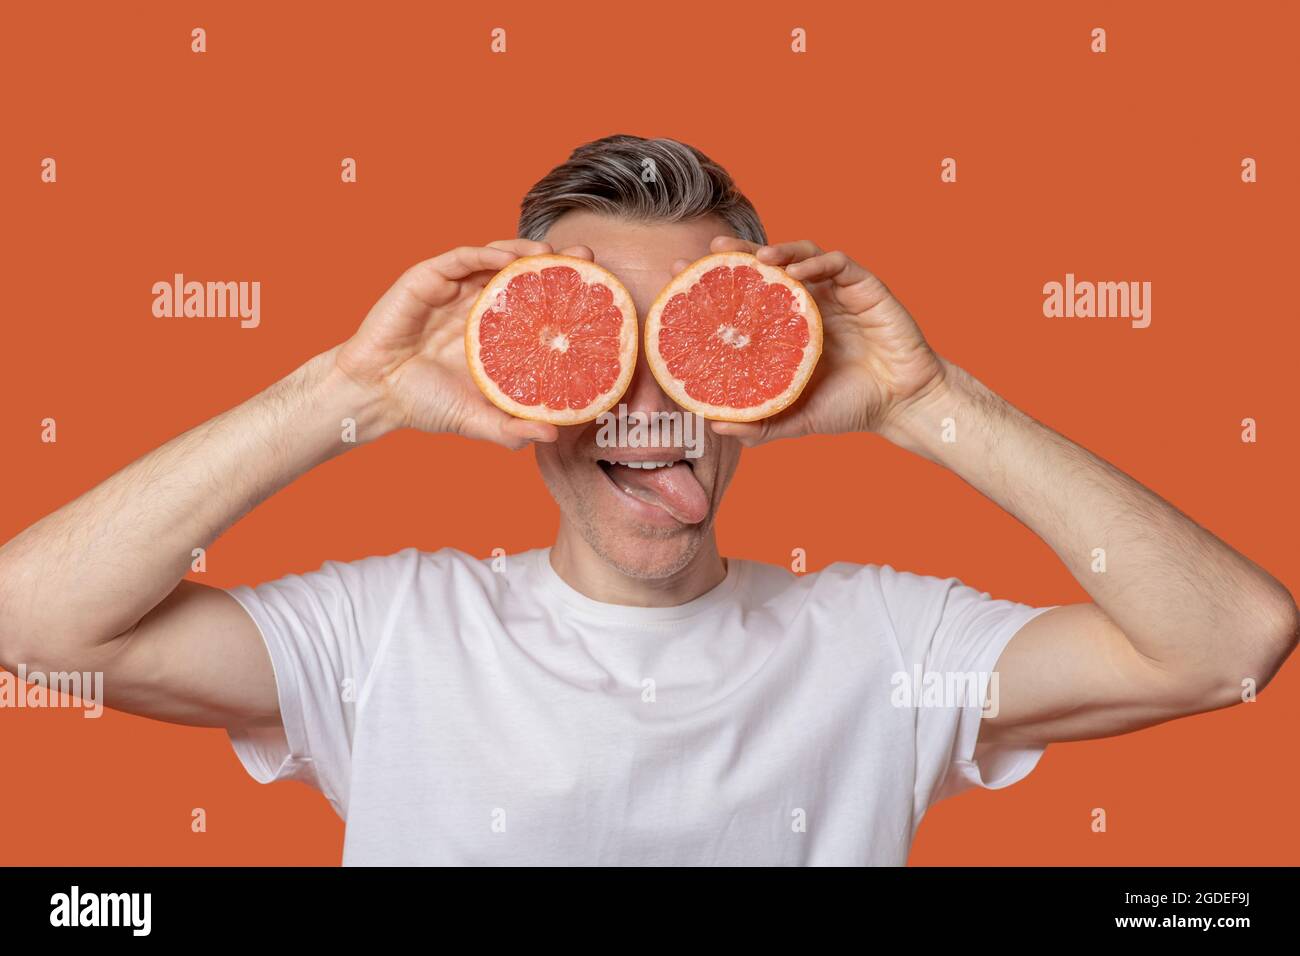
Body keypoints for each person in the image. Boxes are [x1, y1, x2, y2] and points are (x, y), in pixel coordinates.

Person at [0, 135, 1294, 865]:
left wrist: (923, 403)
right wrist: (357, 388)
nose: (643, 388)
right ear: (517, 370)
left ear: (770, 366)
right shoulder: (387, 634)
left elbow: (1230, 646)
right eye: (591, 334)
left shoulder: (885, 650)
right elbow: (35, 627)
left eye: (696, 332)